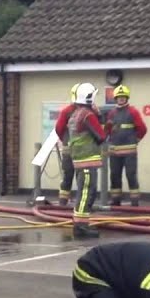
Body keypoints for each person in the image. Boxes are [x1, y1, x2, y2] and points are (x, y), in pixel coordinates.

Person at [55, 82, 107, 238]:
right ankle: (80, 226)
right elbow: (101, 136)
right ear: (89, 98)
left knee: (83, 191)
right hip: (87, 159)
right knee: (86, 192)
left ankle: (81, 222)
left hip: (79, 159)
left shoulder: (76, 113)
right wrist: (101, 118)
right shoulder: (88, 115)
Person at [104, 85, 149, 207]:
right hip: (114, 152)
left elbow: (142, 129)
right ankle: (115, 200)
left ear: (127, 98)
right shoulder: (112, 113)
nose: (121, 99)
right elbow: (107, 130)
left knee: (131, 175)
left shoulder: (133, 111)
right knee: (114, 176)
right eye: (119, 97)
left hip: (129, 152)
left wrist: (135, 140)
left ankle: (134, 201)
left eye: (123, 97)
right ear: (115, 98)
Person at [53, 89, 78, 206]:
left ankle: (64, 202)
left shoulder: (68, 111)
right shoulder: (67, 111)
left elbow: (59, 129)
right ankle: (64, 201)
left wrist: (65, 140)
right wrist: (65, 140)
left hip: (72, 150)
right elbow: (59, 128)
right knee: (71, 175)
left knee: (70, 176)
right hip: (74, 151)